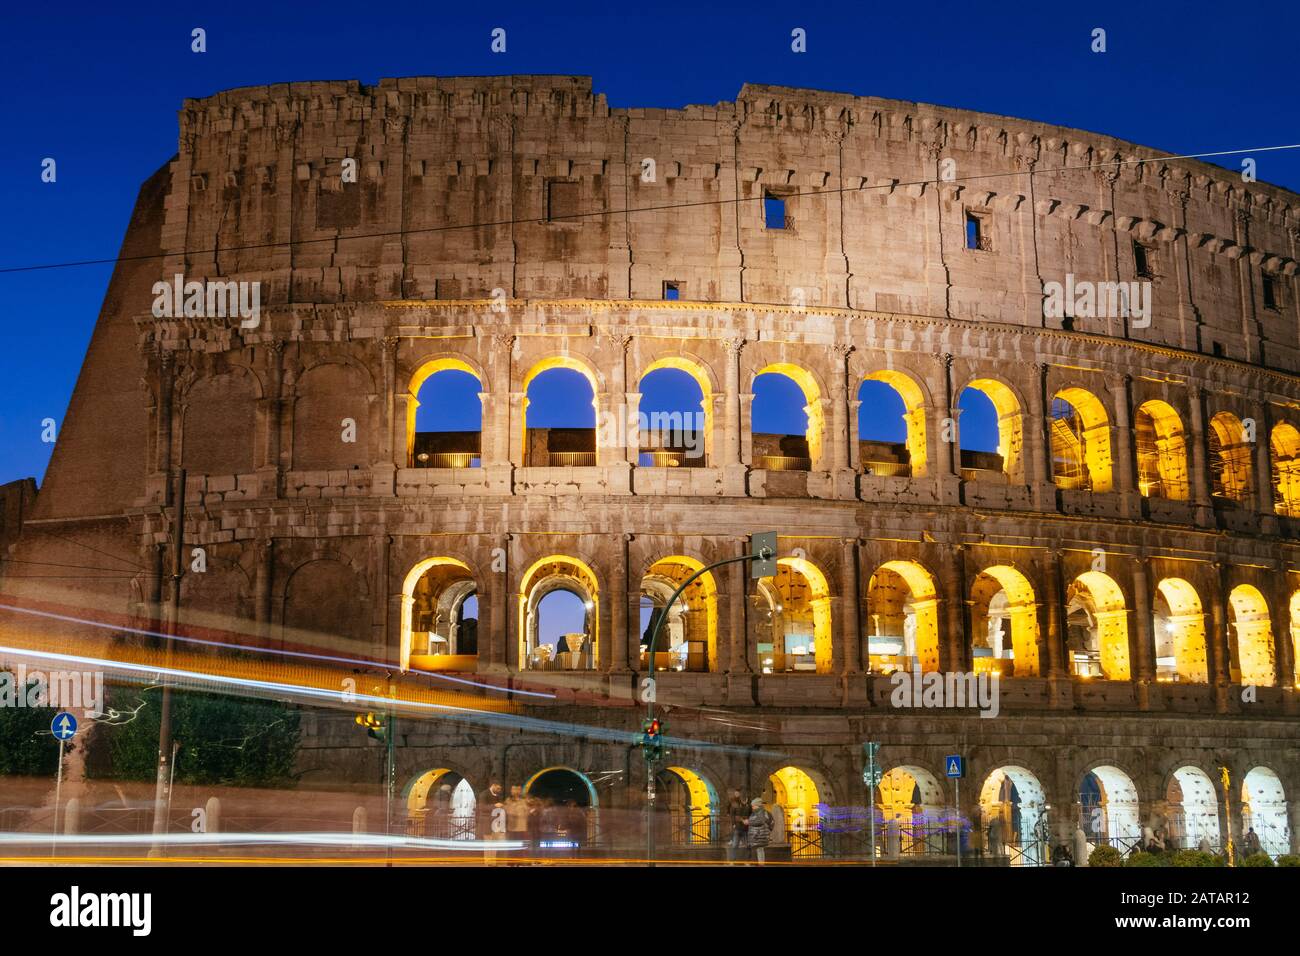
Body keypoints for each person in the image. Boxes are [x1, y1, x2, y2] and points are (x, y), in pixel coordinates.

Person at [478, 781, 506, 865]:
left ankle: (493, 863)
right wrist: (495, 805)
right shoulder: (484, 794)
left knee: (494, 844)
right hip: (487, 823)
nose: (499, 790)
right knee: (488, 844)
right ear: (493, 786)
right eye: (498, 788)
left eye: (500, 789)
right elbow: (482, 808)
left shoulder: (496, 795)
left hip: (495, 823)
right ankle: (488, 863)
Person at [746, 797, 774, 865]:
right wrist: (769, 830)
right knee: (759, 850)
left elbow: (760, 821)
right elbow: (772, 822)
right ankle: (759, 864)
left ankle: (760, 864)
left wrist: (749, 822)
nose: (752, 807)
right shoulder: (760, 812)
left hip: (758, 835)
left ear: (757, 805)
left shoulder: (760, 812)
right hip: (757, 835)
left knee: (758, 850)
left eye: (753, 806)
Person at [505, 785, 530, 854]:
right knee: (512, 846)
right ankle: (512, 863)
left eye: (517, 790)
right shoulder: (508, 800)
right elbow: (507, 811)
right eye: (513, 789)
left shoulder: (524, 801)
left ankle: (519, 862)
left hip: (521, 827)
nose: (515, 791)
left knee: (520, 846)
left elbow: (527, 812)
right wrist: (516, 811)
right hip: (512, 828)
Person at [726, 789, 749, 862]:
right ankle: (733, 860)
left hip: (745, 828)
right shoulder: (734, 803)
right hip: (738, 827)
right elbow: (734, 815)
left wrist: (748, 820)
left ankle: (747, 861)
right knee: (735, 844)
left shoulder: (748, 806)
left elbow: (750, 814)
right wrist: (734, 823)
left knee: (746, 845)